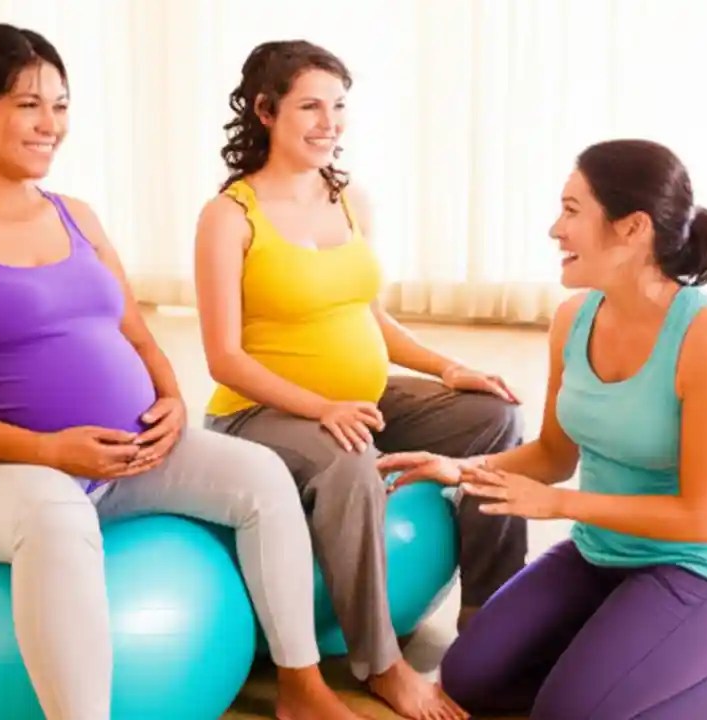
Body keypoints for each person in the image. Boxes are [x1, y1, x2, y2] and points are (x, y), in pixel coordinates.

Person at [0, 24, 370, 720]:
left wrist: (170, 398)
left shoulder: (75, 216)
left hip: (125, 455)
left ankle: (302, 686)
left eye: (61, 106)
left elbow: (137, 332)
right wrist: (47, 451)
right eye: (28, 105)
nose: (51, 125)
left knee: (262, 478)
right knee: (54, 510)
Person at [379, 139, 707, 719]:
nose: (556, 229)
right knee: (469, 677)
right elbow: (554, 453)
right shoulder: (573, 319)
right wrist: (462, 469)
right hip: (602, 556)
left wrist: (558, 506)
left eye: (573, 210)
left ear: (632, 229)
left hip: (698, 571)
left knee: (571, 716)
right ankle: (611, 679)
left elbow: (701, 517)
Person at [195, 39, 522, 720]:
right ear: (264, 111)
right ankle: (381, 664)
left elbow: (373, 320)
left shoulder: (348, 200)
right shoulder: (229, 217)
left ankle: (491, 620)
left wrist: (449, 369)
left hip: (360, 401)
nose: (329, 122)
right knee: (350, 461)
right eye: (310, 106)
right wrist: (322, 408)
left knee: (492, 417)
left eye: (339, 106)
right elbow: (223, 359)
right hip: (258, 414)